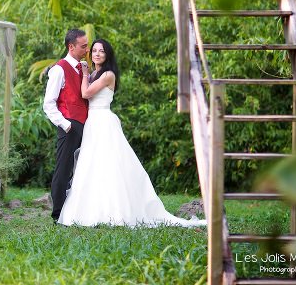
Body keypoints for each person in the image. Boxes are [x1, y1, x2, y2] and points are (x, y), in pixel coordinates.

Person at [58, 38, 206, 228]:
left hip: (103, 121)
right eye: (94, 50)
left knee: (109, 164)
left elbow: (86, 94)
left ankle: (116, 210)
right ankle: (91, 208)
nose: (97, 54)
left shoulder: (107, 75)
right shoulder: (95, 73)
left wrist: (84, 74)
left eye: (101, 51)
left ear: (107, 54)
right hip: (92, 122)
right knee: (92, 164)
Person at [43, 28, 89, 222]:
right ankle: (57, 214)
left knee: (82, 170)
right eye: (83, 46)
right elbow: (48, 103)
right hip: (69, 126)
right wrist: (65, 124)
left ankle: (76, 211)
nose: (87, 49)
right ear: (71, 47)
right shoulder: (59, 69)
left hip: (85, 125)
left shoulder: (82, 68)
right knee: (63, 169)